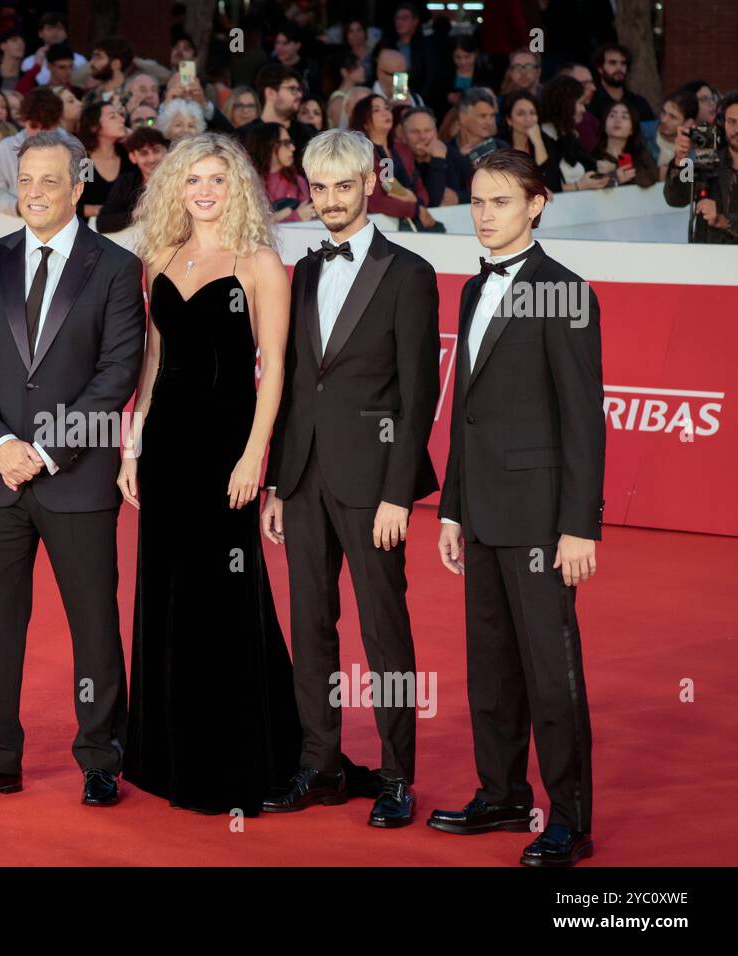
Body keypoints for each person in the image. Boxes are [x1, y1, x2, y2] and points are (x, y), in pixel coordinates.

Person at [0, 132, 145, 805]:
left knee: (94, 624)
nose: (33, 192)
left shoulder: (115, 267)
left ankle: (99, 757)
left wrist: (51, 449)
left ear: (78, 186)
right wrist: (0, 445)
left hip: (76, 476)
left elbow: (117, 372)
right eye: (26, 179)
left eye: (49, 181)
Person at [260, 129, 441, 826]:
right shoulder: (300, 271)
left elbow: (418, 394)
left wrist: (399, 492)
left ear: (371, 183)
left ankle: (398, 775)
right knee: (312, 628)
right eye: (320, 187)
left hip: (374, 487)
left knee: (384, 630)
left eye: (344, 185)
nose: (331, 200)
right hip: (303, 479)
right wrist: (278, 482)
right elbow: (294, 383)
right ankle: (321, 763)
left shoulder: (409, 273)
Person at [114, 132, 298, 815]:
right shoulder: (160, 254)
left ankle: (235, 758)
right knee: (165, 591)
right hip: (165, 446)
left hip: (227, 447)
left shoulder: (259, 263)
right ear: (175, 188)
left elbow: (274, 367)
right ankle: (168, 755)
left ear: (238, 187)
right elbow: (155, 359)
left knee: (223, 594)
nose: (205, 190)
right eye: (193, 179)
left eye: (217, 179)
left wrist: (256, 454)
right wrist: (132, 444)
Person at [431, 148, 604, 867]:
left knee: (549, 669)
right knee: (491, 666)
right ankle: (500, 793)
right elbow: (465, 411)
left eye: (499, 201)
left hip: (540, 518)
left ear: (536, 205)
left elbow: (583, 420)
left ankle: (568, 817)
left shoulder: (565, 291)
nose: (484, 214)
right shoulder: (472, 291)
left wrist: (577, 527)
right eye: (476, 202)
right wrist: (450, 507)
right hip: (482, 515)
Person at [351, 94, 440, 230]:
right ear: (364, 122)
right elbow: (375, 202)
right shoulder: (362, 155)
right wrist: (414, 209)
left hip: (413, 222)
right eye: (376, 110)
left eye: (387, 108)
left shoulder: (402, 149)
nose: (385, 112)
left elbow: (420, 189)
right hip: (383, 228)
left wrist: (417, 201)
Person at [664, 90, 738, 244]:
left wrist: (724, 221)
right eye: (732, 122)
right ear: (722, 124)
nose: (737, 129)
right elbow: (677, 198)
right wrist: (681, 160)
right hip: (708, 259)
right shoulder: (709, 157)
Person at [0, 86, 69, 215]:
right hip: (18, 226)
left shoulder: (71, 146)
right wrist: (19, 207)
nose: (39, 133)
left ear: (56, 123)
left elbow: (81, 189)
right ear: (24, 121)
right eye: (34, 126)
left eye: (46, 127)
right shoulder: (7, 147)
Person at [538, 75, 605, 193]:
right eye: (580, 103)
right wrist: (579, 186)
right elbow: (547, 185)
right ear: (565, 104)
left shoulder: (570, 138)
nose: (583, 109)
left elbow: (591, 167)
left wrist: (613, 175)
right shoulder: (542, 138)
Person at [96, 126, 167, 233]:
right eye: (144, 153)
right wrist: (134, 214)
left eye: (156, 151)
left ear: (166, 152)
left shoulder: (180, 179)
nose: (151, 159)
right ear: (133, 157)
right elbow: (102, 223)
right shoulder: (126, 182)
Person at [243, 121, 315, 222]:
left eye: (291, 142)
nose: (293, 148)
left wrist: (283, 215)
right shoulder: (246, 181)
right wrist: (290, 214)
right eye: (286, 143)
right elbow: (249, 223)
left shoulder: (298, 182)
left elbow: (306, 217)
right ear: (268, 145)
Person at [77, 100, 129, 219]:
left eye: (120, 115)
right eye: (112, 117)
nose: (122, 120)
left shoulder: (127, 157)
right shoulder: (85, 162)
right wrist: (100, 210)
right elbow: (69, 205)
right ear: (94, 127)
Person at [402, 106, 460, 206]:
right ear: (403, 136)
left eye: (427, 130)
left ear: (436, 132)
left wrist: (459, 197)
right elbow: (434, 201)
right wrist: (438, 159)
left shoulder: (452, 154)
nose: (422, 137)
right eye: (415, 132)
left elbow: (478, 189)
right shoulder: (397, 161)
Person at [592, 102, 657, 189]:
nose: (617, 120)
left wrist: (616, 170)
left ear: (632, 129)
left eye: (624, 117)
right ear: (604, 125)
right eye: (612, 115)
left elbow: (651, 176)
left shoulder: (639, 153)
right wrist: (613, 177)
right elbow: (589, 185)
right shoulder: (594, 155)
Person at [588, 43, 653, 126]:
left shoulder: (639, 103)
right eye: (613, 63)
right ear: (600, 68)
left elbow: (650, 135)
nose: (619, 68)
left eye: (623, 63)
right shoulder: (591, 102)